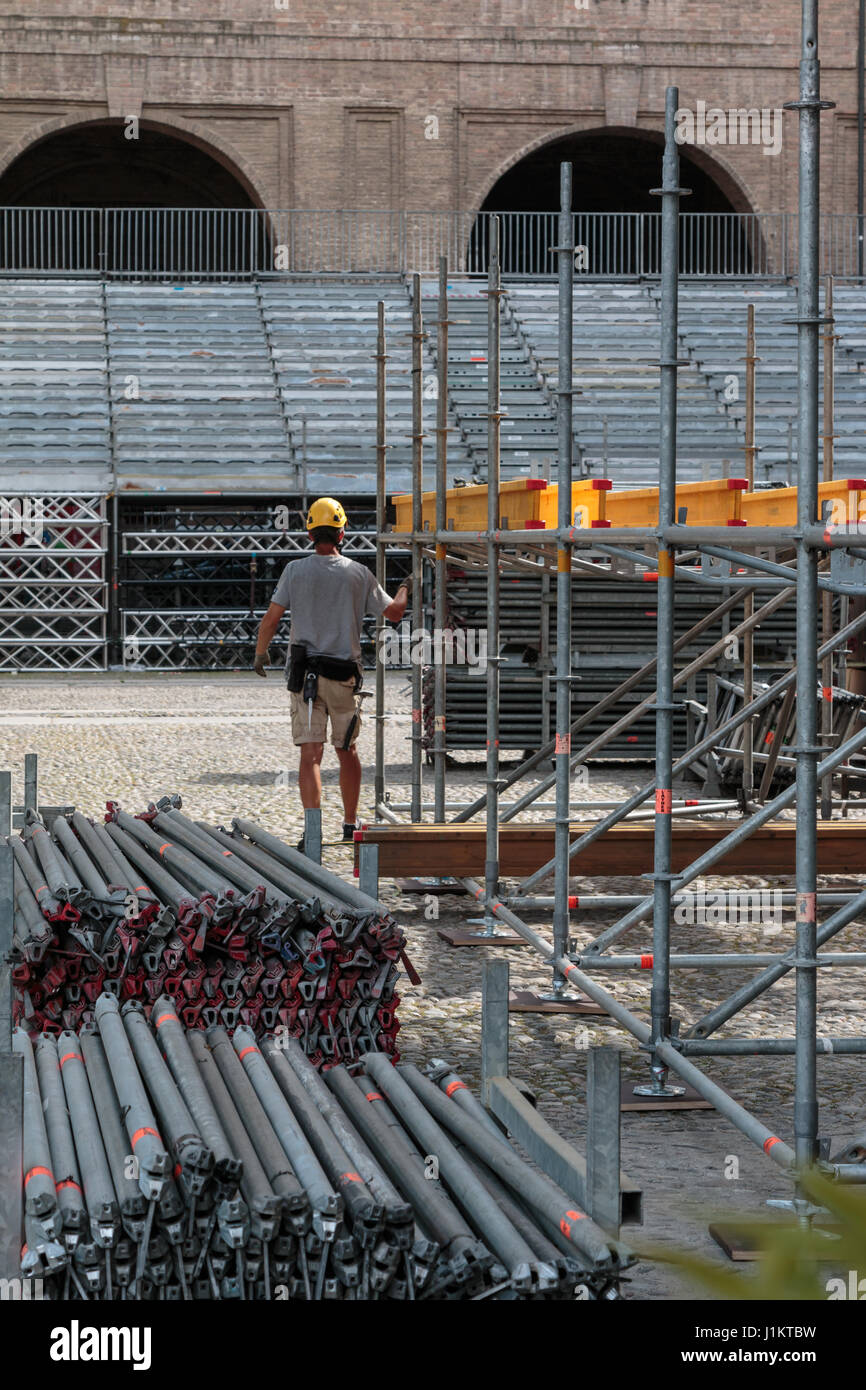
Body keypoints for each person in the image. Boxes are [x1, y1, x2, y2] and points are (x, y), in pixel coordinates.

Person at [254, 496, 409, 847]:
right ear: (343, 533)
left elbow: (271, 619)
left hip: (304, 677)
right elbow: (395, 614)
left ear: (310, 533)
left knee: (310, 755)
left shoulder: (294, 571)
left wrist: (260, 654)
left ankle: (312, 831)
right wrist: (404, 586)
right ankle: (350, 823)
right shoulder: (359, 573)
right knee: (347, 750)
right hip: (344, 677)